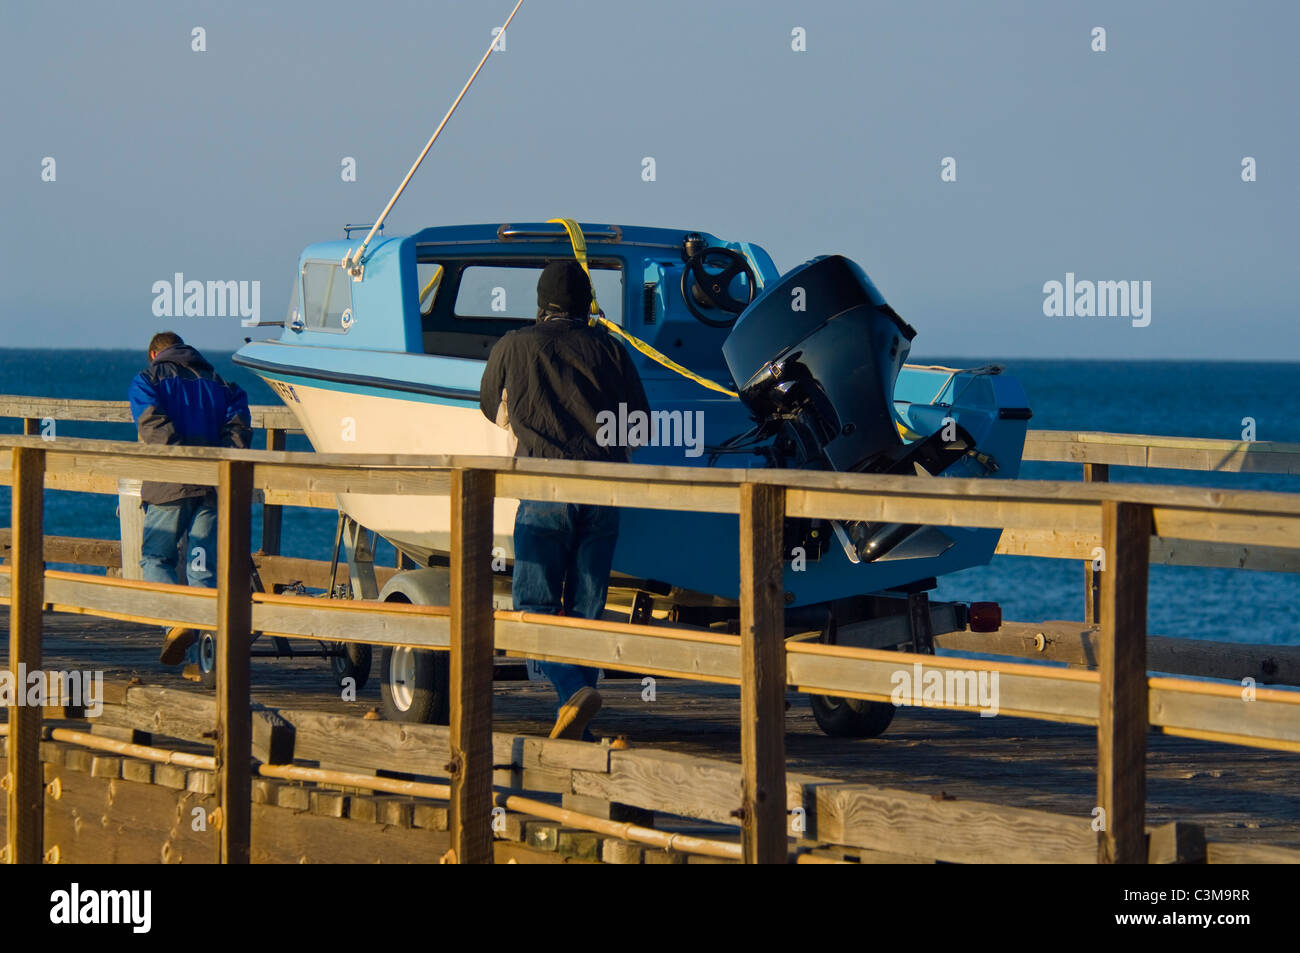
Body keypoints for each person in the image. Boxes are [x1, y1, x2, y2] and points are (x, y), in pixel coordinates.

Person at [480, 261, 650, 740]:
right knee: (586, 612)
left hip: (544, 490)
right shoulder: (611, 349)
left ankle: (572, 690)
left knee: (533, 605)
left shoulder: (513, 346)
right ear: (587, 303)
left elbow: (491, 410)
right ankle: (576, 714)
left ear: (540, 303)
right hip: (602, 493)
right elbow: (640, 425)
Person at [127, 332, 252, 665]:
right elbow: (238, 429)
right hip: (212, 486)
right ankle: (205, 661)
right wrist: (215, 464)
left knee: (157, 559)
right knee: (202, 568)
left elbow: (152, 425)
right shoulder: (223, 384)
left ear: (155, 354)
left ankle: (176, 621)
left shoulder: (147, 380)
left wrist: (183, 461)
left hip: (170, 487)